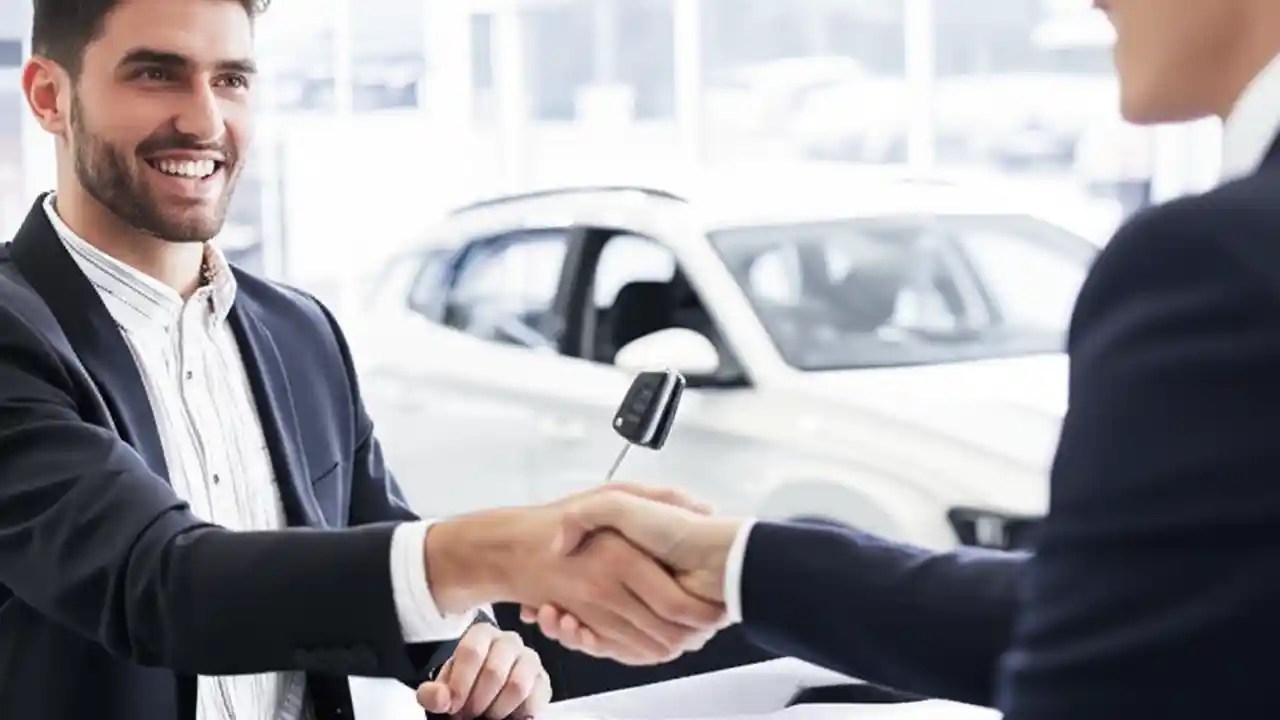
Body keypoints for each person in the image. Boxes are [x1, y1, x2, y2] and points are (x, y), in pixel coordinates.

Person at [518, 1, 1280, 717]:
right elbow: (1146, 610)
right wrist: (743, 564)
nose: (1094, 2)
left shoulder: (1211, 260)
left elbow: (1109, 672)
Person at [0, 1, 723, 718]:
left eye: (231, 80)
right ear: (49, 97)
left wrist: (471, 649)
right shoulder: (13, 332)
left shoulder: (299, 333)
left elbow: (375, 556)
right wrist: (501, 551)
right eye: (157, 74)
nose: (206, 121)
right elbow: (160, 584)